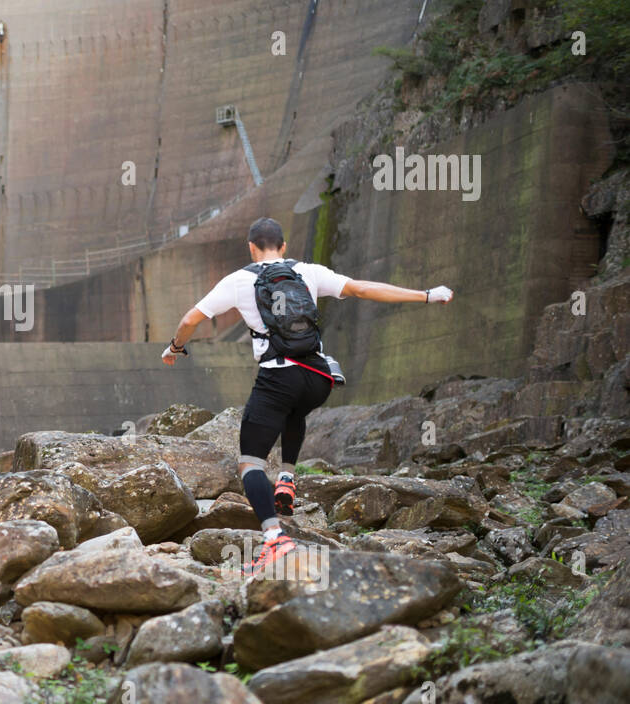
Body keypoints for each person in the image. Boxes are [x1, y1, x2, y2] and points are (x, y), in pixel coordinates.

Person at [161, 217, 453, 575]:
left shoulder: (240, 280)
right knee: (294, 411)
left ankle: (274, 539)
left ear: (252, 247)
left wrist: (176, 347)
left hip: (278, 376)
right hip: (319, 378)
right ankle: (287, 477)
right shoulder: (308, 272)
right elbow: (362, 288)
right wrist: (425, 295)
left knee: (250, 464)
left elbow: (191, 318)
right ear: (283, 247)